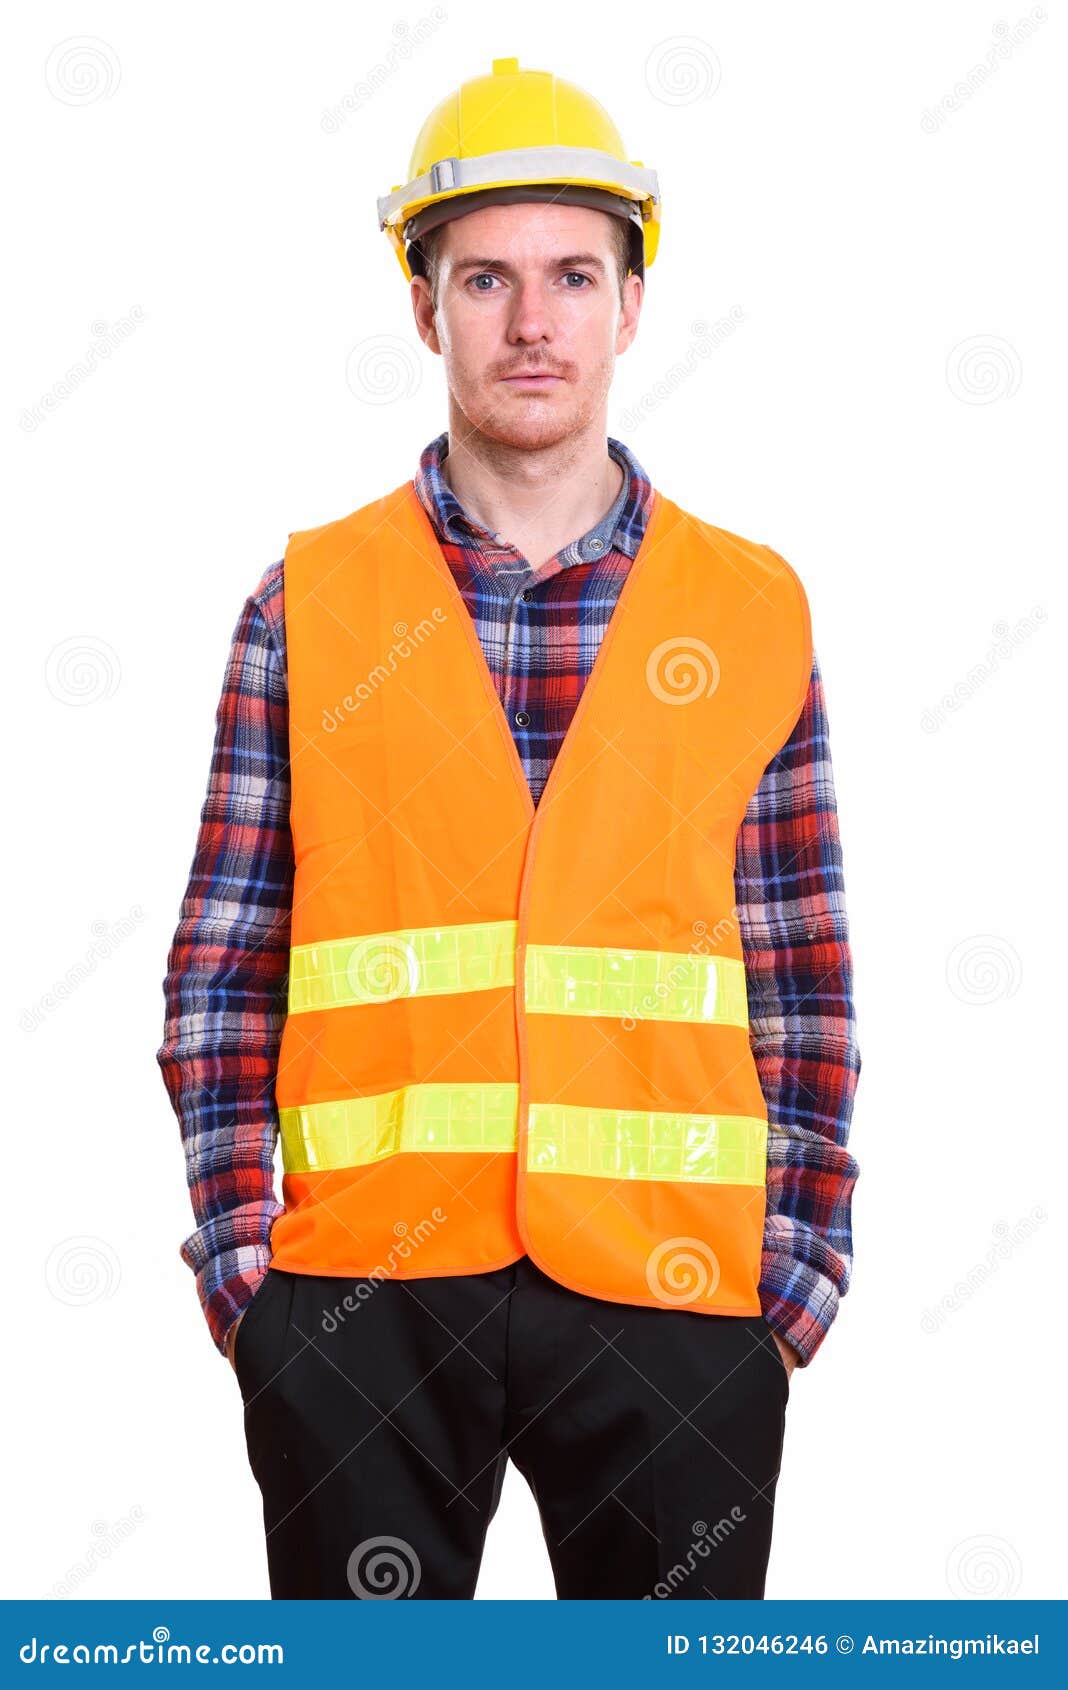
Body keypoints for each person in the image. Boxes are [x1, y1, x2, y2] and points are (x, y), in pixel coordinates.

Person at [156, 56, 860, 1601]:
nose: (531, 320)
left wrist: (790, 1287)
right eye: (485, 278)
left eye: (572, 276)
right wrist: (250, 1288)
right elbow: (223, 969)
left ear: (630, 305)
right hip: (364, 1301)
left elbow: (802, 981)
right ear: (424, 307)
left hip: (678, 1293)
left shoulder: (751, 609)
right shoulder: (306, 608)